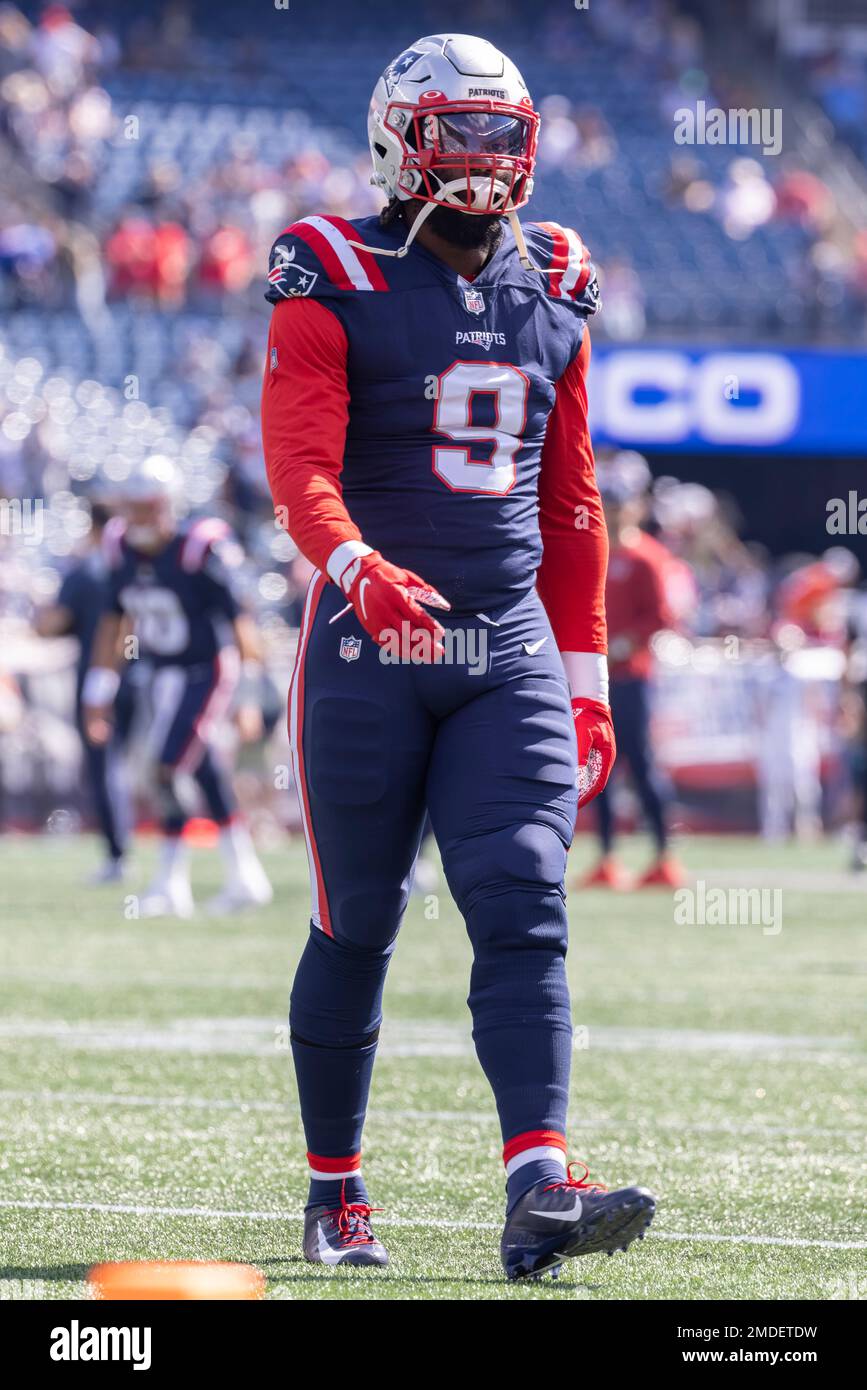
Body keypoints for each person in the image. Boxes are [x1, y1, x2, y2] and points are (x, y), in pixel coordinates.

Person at [261, 33, 655, 1280]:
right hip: (368, 646)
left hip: (508, 650)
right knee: (356, 921)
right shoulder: (330, 264)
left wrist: (586, 687)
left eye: (501, 133)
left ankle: (539, 1181)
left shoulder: (562, 275)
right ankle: (337, 1193)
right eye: (458, 131)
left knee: (526, 901)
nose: (485, 157)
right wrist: (357, 567)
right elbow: (301, 468)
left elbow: (573, 503)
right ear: (397, 138)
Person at [82, 455, 272, 917]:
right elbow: (114, 623)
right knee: (200, 770)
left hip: (208, 671)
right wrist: (97, 693)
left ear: (168, 504)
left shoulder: (199, 549)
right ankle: (245, 877)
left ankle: (170, 884)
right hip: (161, 674)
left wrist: (248, 698)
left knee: (163, 768)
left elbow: (241, 622)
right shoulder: (120, 549)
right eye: (133, 507)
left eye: (148, 507)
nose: (138, 518)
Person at [581, 477, 685, 889]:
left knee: (642, 765)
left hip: (632, 678)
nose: (614, 509)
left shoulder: (648, 557)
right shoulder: (594, 549)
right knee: (597, 765)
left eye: (621, 503)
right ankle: (607, 858)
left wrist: (623, 644)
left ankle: (664, 856)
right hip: (598, 676)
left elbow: (661, 615)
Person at [35, 499, 136, 882]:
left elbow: (52, 625)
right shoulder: (135, 566)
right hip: (142, 677)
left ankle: (117, 855)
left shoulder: (87, 572)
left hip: (99, 679)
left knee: (104, 766)